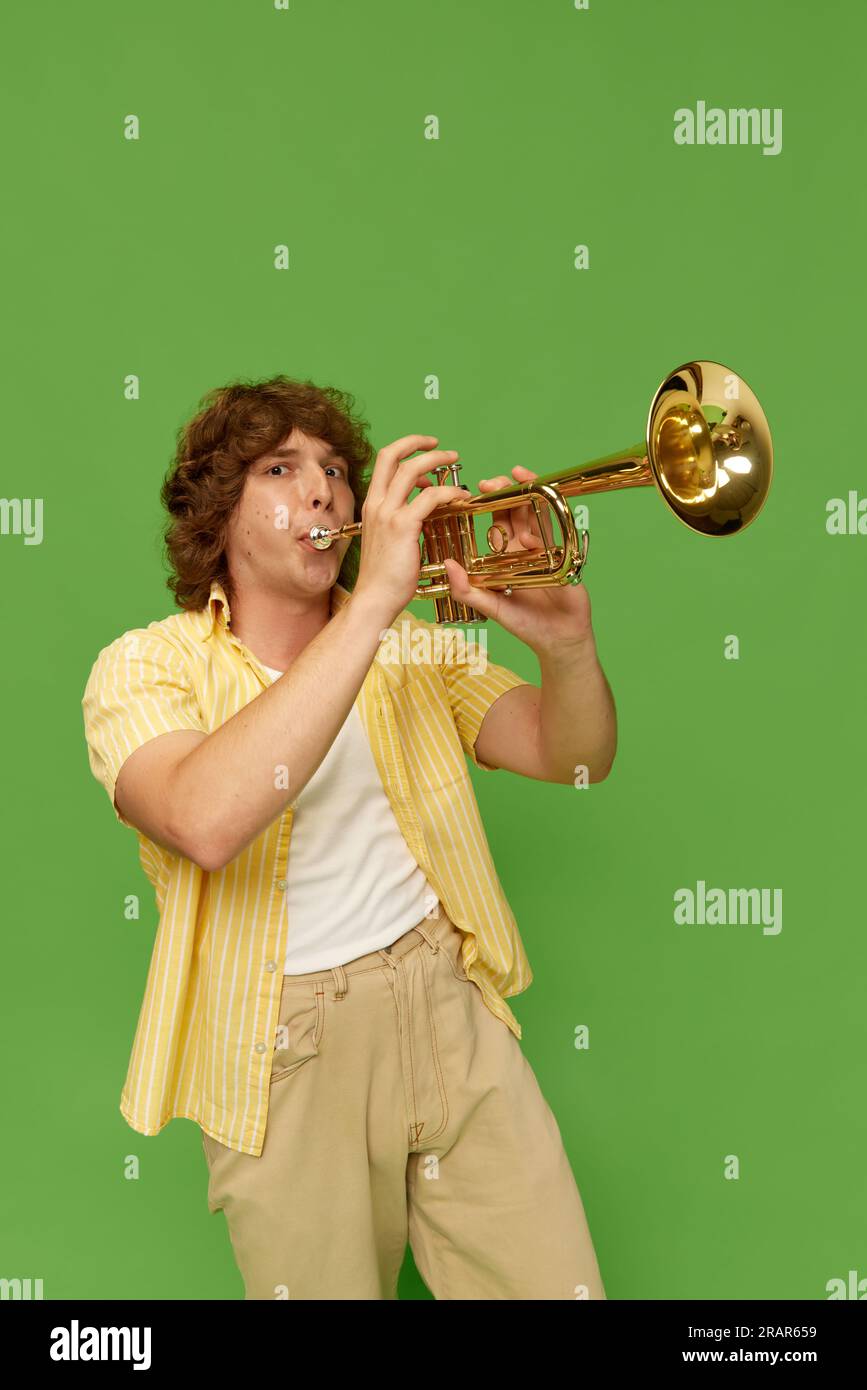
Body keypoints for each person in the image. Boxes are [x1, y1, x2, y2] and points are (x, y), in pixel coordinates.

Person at [81, 375, 617, 1300]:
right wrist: (373, 606)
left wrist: (565, 649)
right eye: (280, 469)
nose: (323, 489)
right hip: (285, 1052)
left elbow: (574, 757)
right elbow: (204, 821)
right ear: (217, 514)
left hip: (448, 1005)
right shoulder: (144, 667)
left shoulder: (412, 652)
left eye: (333, 467)